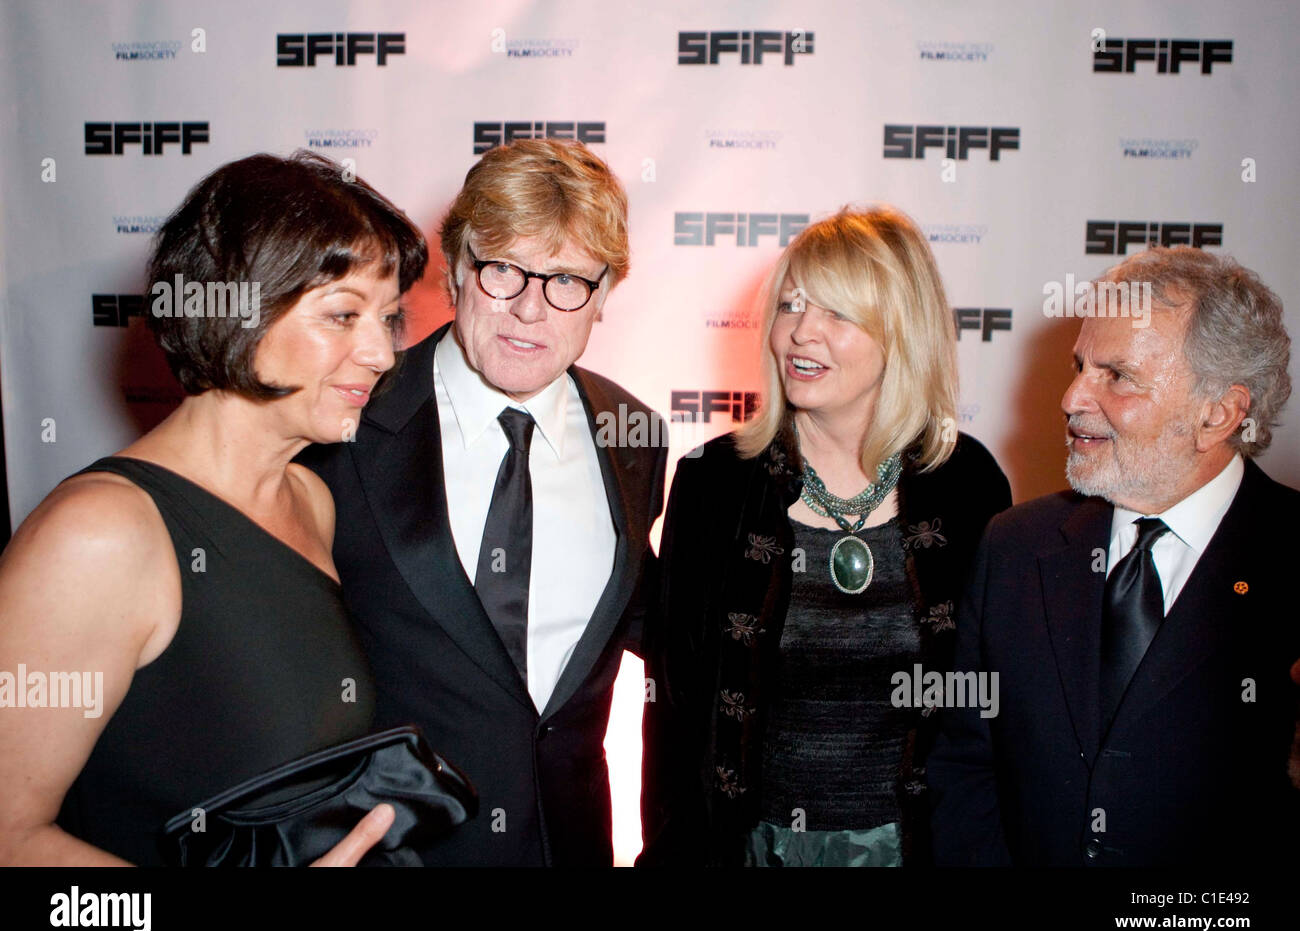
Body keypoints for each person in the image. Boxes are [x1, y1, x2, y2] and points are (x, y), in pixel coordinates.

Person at [0, 150, 428, 865]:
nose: (381, 353)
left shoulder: (311, 499)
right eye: (343, 315)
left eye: (387, 319)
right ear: (238, 309)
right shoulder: (100, 534)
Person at [299, 138, 666, 866]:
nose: (531, 309)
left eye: (566, 281)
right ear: (458, 269)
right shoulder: (343, 427)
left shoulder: (636, 438)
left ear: (604, 297)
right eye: (503, 271)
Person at [638, 206, 1011, 867]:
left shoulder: (967, 485)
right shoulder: (714, 484)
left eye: (837, 314)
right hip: (751, 853)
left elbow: (987, 711)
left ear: (901, 333)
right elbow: (675, 711)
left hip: (920, 851)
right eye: (790, 306)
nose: (801, 333)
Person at [928, 245, 1300, 866]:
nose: (1072, 397)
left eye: (1116, 375)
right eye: (1080, 366)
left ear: (1219, 413)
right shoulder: (1015, 546)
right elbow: (965, 765)